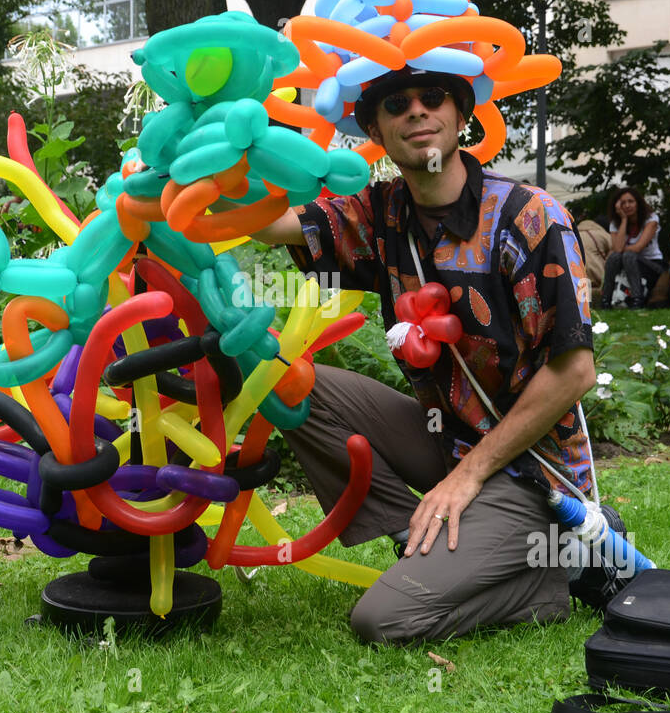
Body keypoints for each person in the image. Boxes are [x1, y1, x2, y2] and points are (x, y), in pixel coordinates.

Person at [249, 67, 601, 644]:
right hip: (445, 440)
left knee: (383, 621)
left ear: (462, 118)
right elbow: (272, 226)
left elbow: (575, 370)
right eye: (396, 104)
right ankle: (411, 540)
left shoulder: (529, 216)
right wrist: (229, 136)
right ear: (376, 131)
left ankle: (547, 581)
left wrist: (468, 476)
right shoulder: (380, 213)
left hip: (532, 475)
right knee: (290, 381)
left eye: (433, 98)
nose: (416, 111)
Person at [601, 186, 662, 309]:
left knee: (627, 255)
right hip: (627, 264)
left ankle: (637, 300)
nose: (627, 205)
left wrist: (620, 250)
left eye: (631, 201)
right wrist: (624, 220)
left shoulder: (651, 219)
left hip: (651, 265)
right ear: (618, 206)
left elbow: (637, 248)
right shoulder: (615, 223)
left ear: (638, 203)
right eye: (623, 203)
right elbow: (617, 249)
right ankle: (605, 300)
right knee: (614, 257)